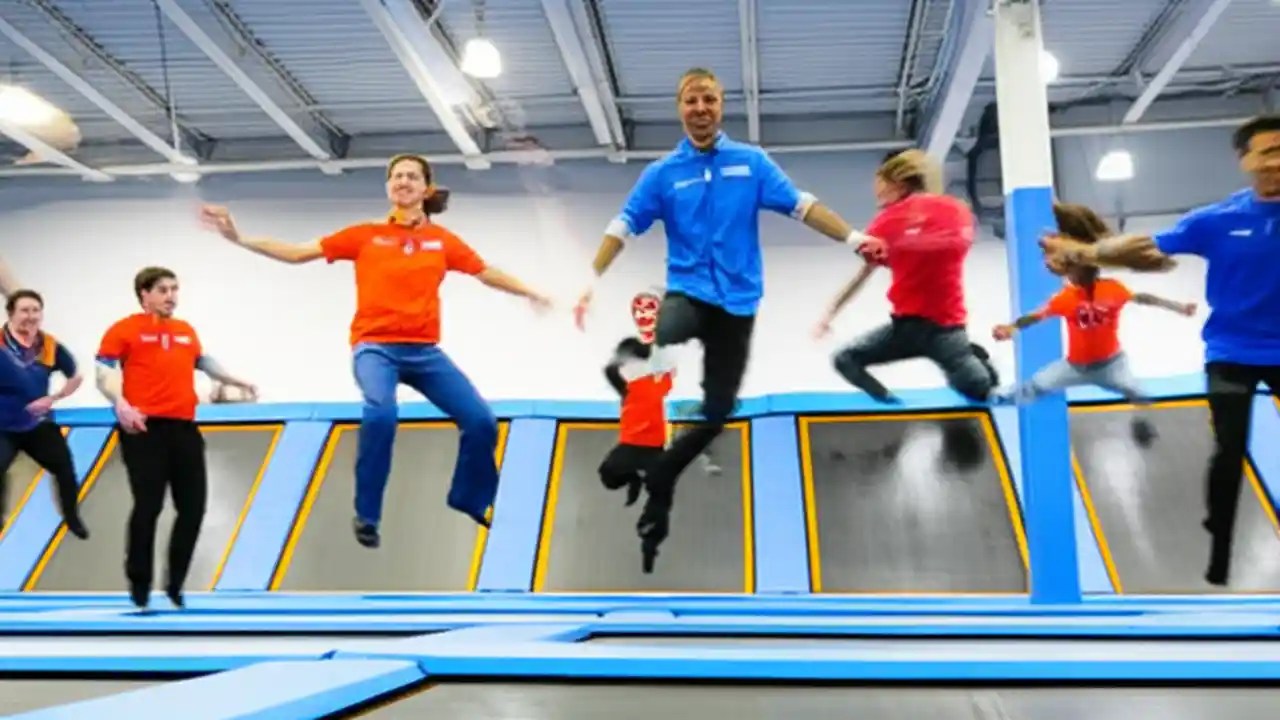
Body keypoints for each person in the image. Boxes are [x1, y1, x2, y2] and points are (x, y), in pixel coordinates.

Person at [572, 66, 871, 570]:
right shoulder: (663, 174)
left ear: (721, 105)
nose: (700, 109)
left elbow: (803, 206)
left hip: (738, 303)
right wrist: (590, 279)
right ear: (680, 108)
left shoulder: (751, 163)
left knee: (717, 413)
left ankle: (664, 475)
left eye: (708, 99)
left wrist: (854, 238)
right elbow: (622, 226)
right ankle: (651, 401)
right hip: (688, 292)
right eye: (691, 100)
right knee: (668, 329)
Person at [199, 153, 553, 549]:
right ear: (388, 187)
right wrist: (239, 237)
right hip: (375, 349)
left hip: (424, 352)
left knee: (481, 421)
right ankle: (367, 516)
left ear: (426, 189)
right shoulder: (365, 235)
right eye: (397, 176)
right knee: (381, 414)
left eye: (412, 176)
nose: (404, 181)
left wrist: (531, 292)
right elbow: (297, 252)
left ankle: (469, 498)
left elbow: (485, 271)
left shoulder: (442, 241)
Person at [1038, 114, 1280, 587]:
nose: (1277, 161)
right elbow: (1146, 251)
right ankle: (1219, 552)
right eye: (1268, 152)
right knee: (1229, 449)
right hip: (1232, 351)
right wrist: (1082, 252)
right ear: (1245, 160)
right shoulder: (1218, 220)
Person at [95, 267, 257, 609]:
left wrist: (234, 379)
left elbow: (203, 361)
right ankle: (140, 583)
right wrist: (120, 403)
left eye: (174, 289)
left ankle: (175, 584)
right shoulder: (124, 330)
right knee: (149, 505)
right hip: (143, 428)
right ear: (144, 294)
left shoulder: (185, 331)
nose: (171, 296)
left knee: (193, 507)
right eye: (163, 290)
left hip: (183, 428)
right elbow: (104, 371)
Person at [991, 203, 1196, 444]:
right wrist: (1012, 328)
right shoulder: (1066, 298)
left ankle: (1143, 423)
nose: (1073, 277)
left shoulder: (1112, 290)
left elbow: (1144, 299)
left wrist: (1178, 307)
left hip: (1112, 365)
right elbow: (1036, 316)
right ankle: (998, 397)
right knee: (1037, 385)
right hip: (1075, 367)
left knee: (1136, 392)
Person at [814, 149, 1000, 404]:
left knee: (977, 385)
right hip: (913, 328)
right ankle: (895, 404)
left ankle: (968, 361)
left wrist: (829, 315)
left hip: (941, 329)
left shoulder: (890, 221)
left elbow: (863, 274)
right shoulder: (955, 211)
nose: (877, 194)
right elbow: (864, 273)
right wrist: (829, 314)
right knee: (845, 359)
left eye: (880, 186)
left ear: (897, 184)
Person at [0, 289, 89, 539]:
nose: (31, 316)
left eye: (35, 310)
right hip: (3, 427)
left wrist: (53, 398)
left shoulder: (49, 345)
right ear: (10, 313)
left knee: (65, 469)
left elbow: (75, 376)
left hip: (37, 425)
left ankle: (72, 517)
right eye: (24, 311)